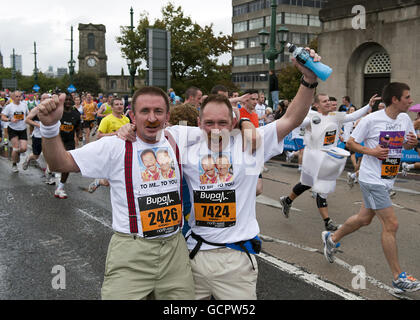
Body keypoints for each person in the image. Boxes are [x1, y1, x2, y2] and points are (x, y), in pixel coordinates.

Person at [37, 86, 195, 300]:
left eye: (158, 111)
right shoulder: (114, 146)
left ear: (168, 115)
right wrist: (49, 127)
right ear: (132, 115)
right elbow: (58, 162)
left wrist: (243, 122)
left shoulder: (178, 137)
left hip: (175, 252)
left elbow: (225, 128)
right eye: (144, 111)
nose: (151, 118)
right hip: (131, 252)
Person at [322, 82, 420, 293]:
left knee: (364, 219)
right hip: (372, 178)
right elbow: (351, 143)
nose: (411, 101)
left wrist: (411, 143)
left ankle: (332, 238)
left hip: (388, 177)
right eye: (407, 97)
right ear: (395, 99)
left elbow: (407, 144)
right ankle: (398, 278)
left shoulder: (404, 119)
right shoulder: (371, 119)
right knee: (391, 224)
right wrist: (371, 152)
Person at [279, 93, 377, 231]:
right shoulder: (311, 118)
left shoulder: (336, 117)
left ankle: (288, 201)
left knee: (316, 187)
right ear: (316, 105)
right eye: (324, 101)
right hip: (313, 157)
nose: (328, 103)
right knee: (311, 185)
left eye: (328, 101)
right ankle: (326, 221)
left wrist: (369, 105)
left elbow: (353, 116)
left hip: (329, 158)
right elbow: (294, 122)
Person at [88, 97, 130, 193]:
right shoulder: (107, 120)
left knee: (121, 178)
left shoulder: (126, 120)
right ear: (111, 107)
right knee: (108, 182)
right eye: (117, 104)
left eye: (121, 104)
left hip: (122, 152)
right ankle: (99, 181)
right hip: (109, 152)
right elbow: (99, 135)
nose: (119, 106)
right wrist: (115, 133)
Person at [54, 94, 82, 199]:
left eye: (71, 100)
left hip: (69, 141)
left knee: (67, 164)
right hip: (57, 140)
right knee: (56, 162)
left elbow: (78, 126)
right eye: (66, 100)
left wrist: (79, 135)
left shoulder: (76, 114)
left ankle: (60, 188)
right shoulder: (58, 112)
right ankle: (50, 169)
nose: (68, 102)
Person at [1, 90, 28, 172]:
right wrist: (10, 119)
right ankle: (14, 164)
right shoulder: (9, 106)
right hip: (13, 129)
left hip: (23, 129)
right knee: (15, 148)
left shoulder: (24, 105)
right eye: (17, 96)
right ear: (13, 97)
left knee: (23, 148)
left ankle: (17, 154)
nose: (19, 98)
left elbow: (28, 115)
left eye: (20, 96)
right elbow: (2, 117)